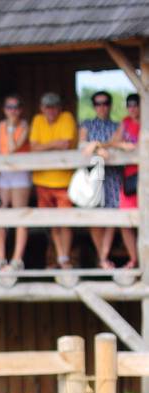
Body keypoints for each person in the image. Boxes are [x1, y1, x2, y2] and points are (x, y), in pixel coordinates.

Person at [29, 92, 78, 269]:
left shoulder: (67, 118)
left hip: (64, 181)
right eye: (47, 107)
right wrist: (53, 144)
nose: (51, 110)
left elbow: (65, 143)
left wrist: (44, 147)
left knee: (65, 222)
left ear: (60, 107)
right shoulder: (37, 120)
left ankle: (64, 258)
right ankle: (59, 257)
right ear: (42, 108)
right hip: (42, 180)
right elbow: (33, 148)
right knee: (50, 223)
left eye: (54, 106)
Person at [79, 91, 125, 270]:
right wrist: (99, 149)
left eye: (105, 103)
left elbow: (117, 145)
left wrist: (97, 145)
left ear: (110, 105)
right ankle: (102, 257)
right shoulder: (87, 124)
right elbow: (82, 146)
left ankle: (104, 257)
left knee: (112, 217)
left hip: (113, 176)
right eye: (98, 104)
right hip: (94, 176)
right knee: (95, 218)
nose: (102, 107)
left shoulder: (117, 126)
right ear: (93, 106)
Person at [0, 94, 32, 271]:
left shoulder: (24, 126)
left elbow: (13, 146)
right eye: (9, 107)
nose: (12, 111)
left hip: (20, 173)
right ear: (4, 109)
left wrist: (10, 130)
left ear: (20, 110)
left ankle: (16, 260)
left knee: (19, 215)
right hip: (3, 173)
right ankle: (0, 258)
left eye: (15, 107)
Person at [107, 93, 140, 268]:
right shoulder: (126, 122)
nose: (133, 108)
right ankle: (134, 258)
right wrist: (123, 145)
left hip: (145, 177)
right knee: (125, 219)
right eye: (130, 105)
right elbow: (113, 142)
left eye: (136, 104)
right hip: (129, 177)